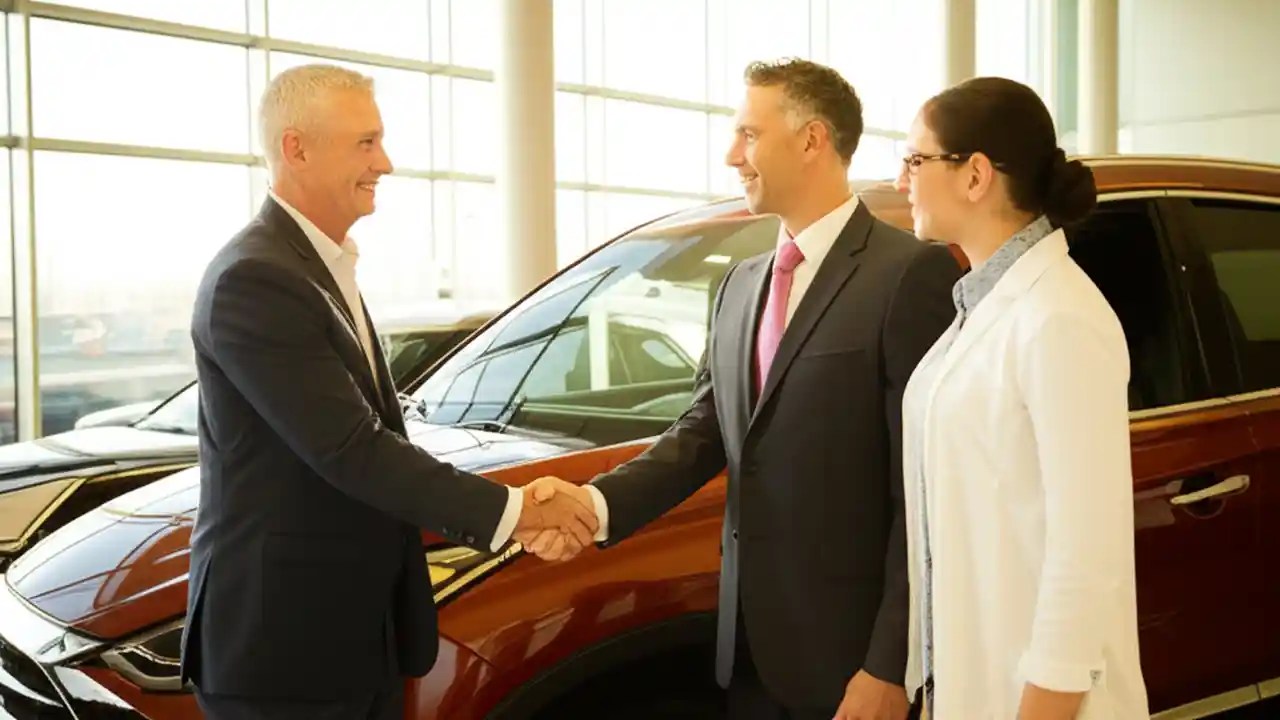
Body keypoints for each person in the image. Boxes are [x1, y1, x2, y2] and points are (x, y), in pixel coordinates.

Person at [530, 58, 960, 719]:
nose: (733, 155)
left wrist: (892, 664)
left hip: (855, 666)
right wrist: (593, 503)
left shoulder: (909, 275)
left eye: (749, 134)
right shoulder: (741, 285)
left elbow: (926, 496)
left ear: (813, 139)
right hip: (751, 656)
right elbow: (704, 434)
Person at [180, 64, 595, 720]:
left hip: (353, 637)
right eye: (365, 143)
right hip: (285, 651)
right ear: (297, 148)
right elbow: (352, 448)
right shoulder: (255, 278)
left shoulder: (320, 265)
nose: (387, 163)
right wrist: (518, 512)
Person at [894, 76, 1149, 719]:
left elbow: (1087, 550)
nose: (903, 182)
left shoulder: (1058, 317)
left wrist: (1042, 710)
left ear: (975, 174)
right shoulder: (982, 308)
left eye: (916, 160)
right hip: (968, 684)